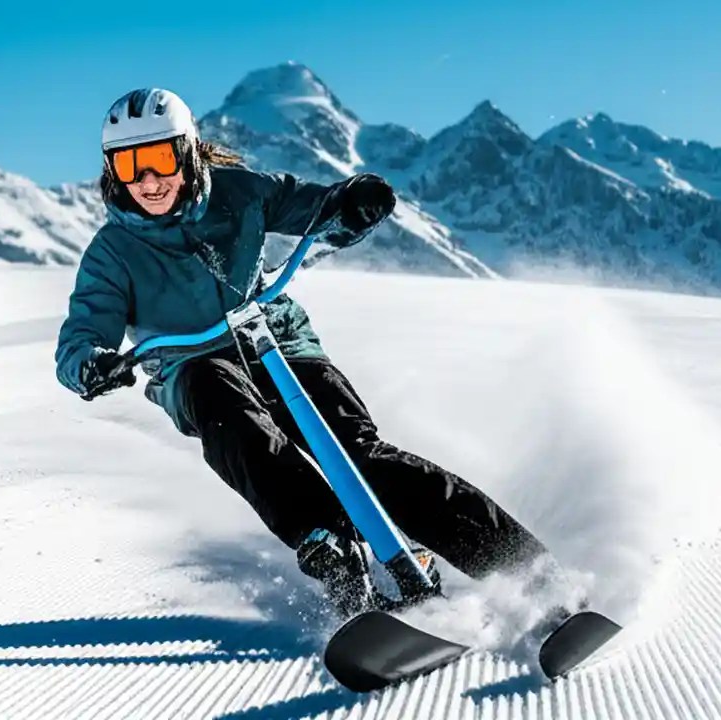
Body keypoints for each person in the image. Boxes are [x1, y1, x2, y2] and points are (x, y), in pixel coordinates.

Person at [55, 88, 548, 617]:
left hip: (276, 339)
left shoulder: (239, 192)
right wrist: (91, 363)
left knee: (359, 455)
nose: (148, 181)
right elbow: (83, 331)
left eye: (158, 159)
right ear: (113, 172)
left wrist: (348, 203)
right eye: (130, 166)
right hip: (192, 363)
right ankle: (334, 554)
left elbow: (310, 206)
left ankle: (529, 571)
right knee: (237, 424)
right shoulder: (112, 253)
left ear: (189, 152)